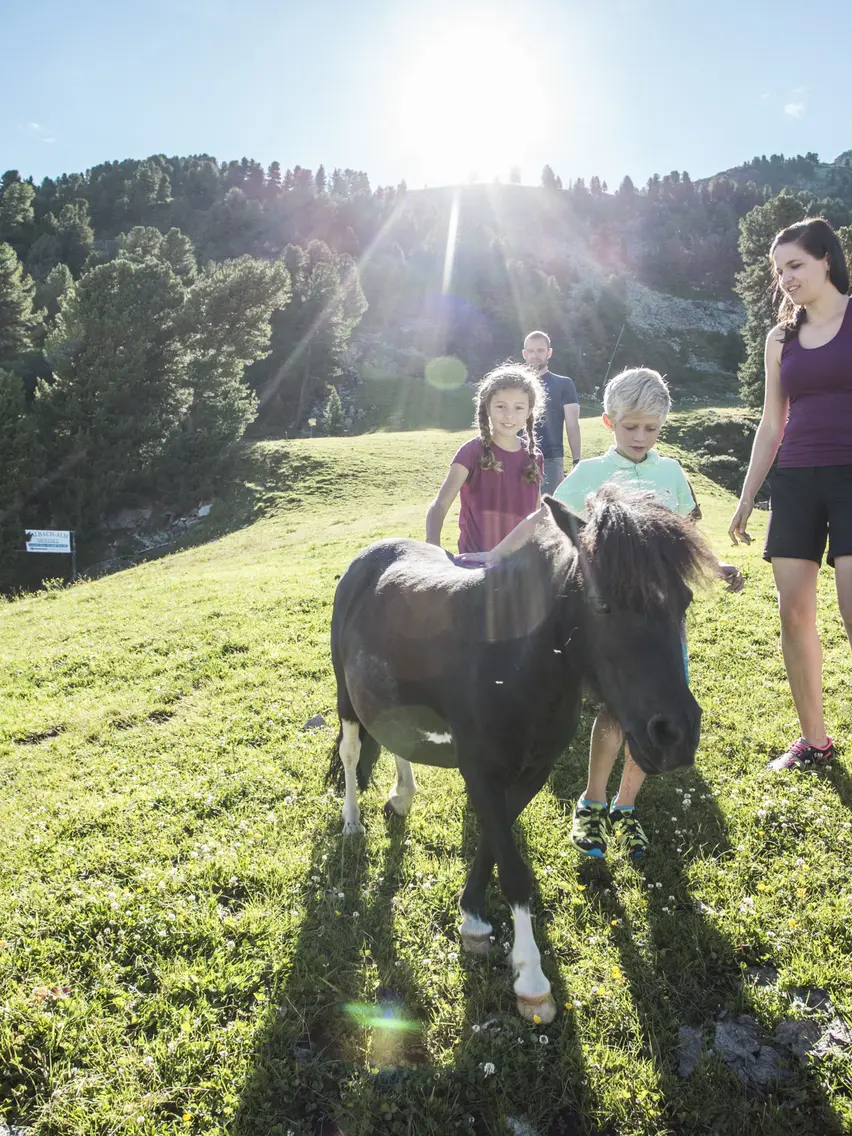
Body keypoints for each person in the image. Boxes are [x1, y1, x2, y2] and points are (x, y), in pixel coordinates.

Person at [465, 367, 743, 859]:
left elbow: (687, 536)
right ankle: (592, 801)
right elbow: (543, 519)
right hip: (617, 624)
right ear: (609, 422)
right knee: (615, 713)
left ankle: (626, 805)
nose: (640, 437)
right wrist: (493, 557)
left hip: (663, 624)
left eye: (651, 428)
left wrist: (715, 565)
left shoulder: (671, 473)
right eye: (630, 426)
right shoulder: (591, 474)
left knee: (657, 707)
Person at [729, 217, 852, 772]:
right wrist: (747, 496)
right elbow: (771, 423)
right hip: (797, 481)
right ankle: (814, 742)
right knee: (795, 615)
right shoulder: (780, 339)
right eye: (779, 270)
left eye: (796, 264)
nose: (786, 278)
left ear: (827, 259)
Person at [425, 363, 544, 554]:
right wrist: (432, 545)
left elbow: (535, 515)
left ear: (529, 412)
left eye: (519, 408)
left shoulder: (534, 457)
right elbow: (440, 504)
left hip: (521, 564)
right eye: (501, 406)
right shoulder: (470, 453)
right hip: (476, 563)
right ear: (487, 407)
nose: (509, 415)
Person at [522, 330, 581, 494]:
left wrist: (577, 460)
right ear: (524, 354)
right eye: (531, 351)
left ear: (549, 353)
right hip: (515, 457)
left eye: (540, 350)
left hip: (550, 459)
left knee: (547, 507)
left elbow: (572, 425)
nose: (535, 355)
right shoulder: (516, 384)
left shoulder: (564, 384)